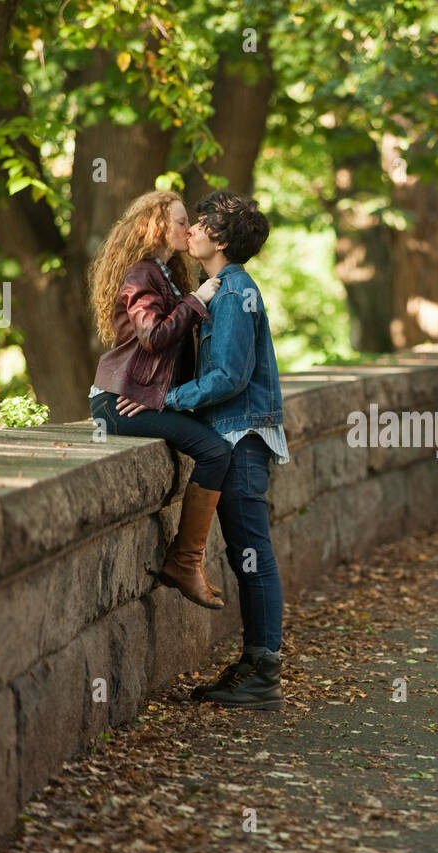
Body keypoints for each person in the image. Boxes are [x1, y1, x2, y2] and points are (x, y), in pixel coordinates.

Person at [116, 189, 288, 710]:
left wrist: (168, 398)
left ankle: (263, 673)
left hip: (240, 436)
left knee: (252, 555)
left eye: (201, 223)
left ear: (220, 238)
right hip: (239, 433)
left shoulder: (234, 294)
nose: (190, 229)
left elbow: (229, 376)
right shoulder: (227, 288)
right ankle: (255, 664)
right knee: (248, 553)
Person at [87, 190, 231, 611]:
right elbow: (153, 336)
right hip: (116, 404)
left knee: (219, 447)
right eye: (183, 221)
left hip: (139, 399)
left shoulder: (167, 272)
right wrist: (197, 300)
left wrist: (163, 398)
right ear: (158, 226)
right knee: (215, 451)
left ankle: (187, 562)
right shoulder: (142, 274)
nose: (190, 229)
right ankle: (185, 563)